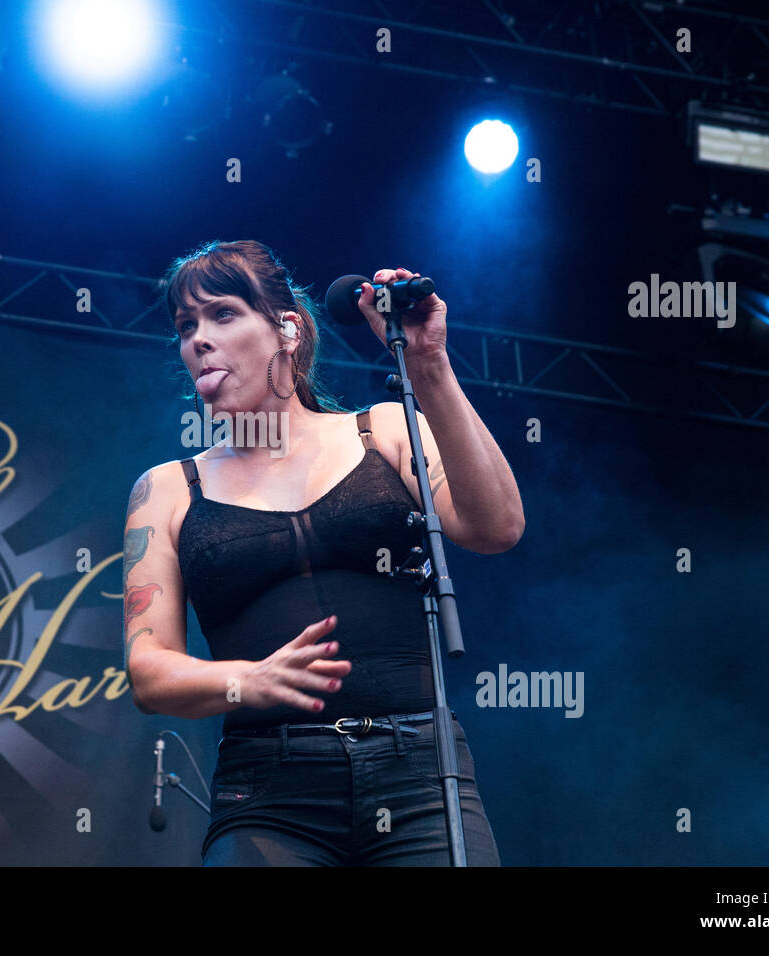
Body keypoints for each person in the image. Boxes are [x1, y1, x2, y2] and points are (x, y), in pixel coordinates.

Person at [122, 239, 524, 866]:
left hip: (419, 773)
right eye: (185, 325)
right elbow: (148, 669)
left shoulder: (386, 429)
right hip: (266, 788)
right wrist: (245, 680)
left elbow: (496, 526)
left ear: (288, 329)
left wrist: (431, 366)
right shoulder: (169, 487)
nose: (198, 338)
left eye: (223, 314)